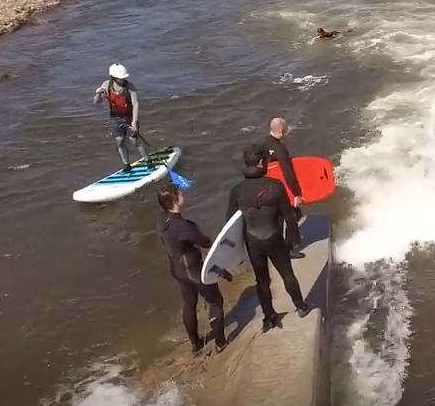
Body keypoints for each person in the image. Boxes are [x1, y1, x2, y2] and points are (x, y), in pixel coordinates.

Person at [227, 144, 311, 332]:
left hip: (253, 242)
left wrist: (237, 250)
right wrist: (294, 237)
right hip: (274, 238)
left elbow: (231, 223)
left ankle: (269, 316)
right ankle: (301, 307)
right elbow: (289, 215)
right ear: (260, 162)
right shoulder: (275, 185)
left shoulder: (237, 190)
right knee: (287, 274)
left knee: (262, 280)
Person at [157, 184, 228, 354]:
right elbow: (204, 241)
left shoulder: (162, 222)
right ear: (174, 200)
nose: (183, 195)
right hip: (195, 271)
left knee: (189, 304)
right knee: (215, 301)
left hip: (178, 270)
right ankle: (220, 343)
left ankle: (195, 345)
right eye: (179, 193)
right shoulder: (183, 226)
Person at [93, 63, 151, 171]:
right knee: (120, 140)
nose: (123, 79)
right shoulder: (106, 85)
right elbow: (96, 102)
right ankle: (126, 165)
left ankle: (148, 161)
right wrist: (98, 94)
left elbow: (136, 104)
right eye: (121, 78)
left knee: (134, 140)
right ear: (113, 77)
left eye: (124, 77)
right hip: (116, 117)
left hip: (129, 116)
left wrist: (134, 122)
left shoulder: (130, 86)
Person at [256, 118, 308, 221]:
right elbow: (287, 172)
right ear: (281, 132)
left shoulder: (260, 145)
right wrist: (296, 194)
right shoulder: (280, 149)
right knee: (295, 216)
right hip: (277, 189)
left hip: (262, 189)